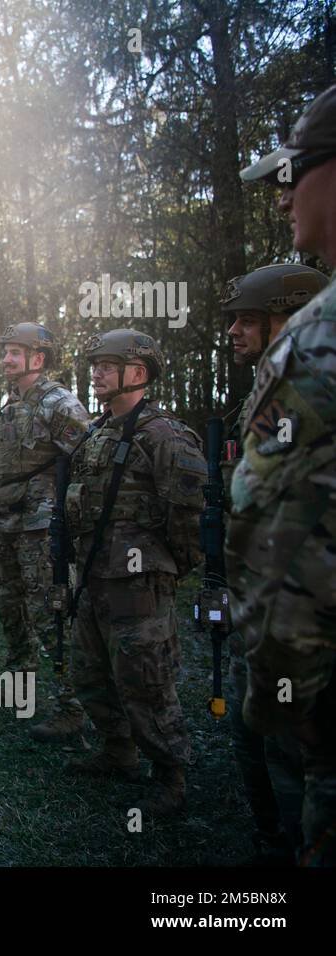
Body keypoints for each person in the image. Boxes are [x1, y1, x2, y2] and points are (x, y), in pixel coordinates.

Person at [232, 82, 336, 864]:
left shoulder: (315, 345)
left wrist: (278, 693)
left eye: (293, 174)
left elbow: (284, 541)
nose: (282, 202)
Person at [64, 330, 206, 817]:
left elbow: (187, 517)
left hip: (140, 584)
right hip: (94, 577)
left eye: (107, 365)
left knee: (146, 680)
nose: (96, 373)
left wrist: (168, 573)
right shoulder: (95, 433)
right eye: (95, 365)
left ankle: (170, 776)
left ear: (138, 374)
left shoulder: (164, 436)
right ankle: (117, 751)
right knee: (92, 671)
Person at [218, 263, 327, 860]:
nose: (234, 330)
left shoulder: (310, 385)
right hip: (254, 606)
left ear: (286, 317)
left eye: (248, 320)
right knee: (249, 737)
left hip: (297, 611)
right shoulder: (264, 389)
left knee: (294, 756)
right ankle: (270, 841)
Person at [0, 324, 91, 742]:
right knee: (11, 606)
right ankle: (20, 682)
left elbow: (87, 459)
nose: (7, 359)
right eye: (6, 351)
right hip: (8, 521)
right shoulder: (10, 406)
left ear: (39, 359)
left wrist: (68, 513)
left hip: (42, 526)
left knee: (52, 613)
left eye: (16, 352)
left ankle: (74, 707)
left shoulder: (58, 403)